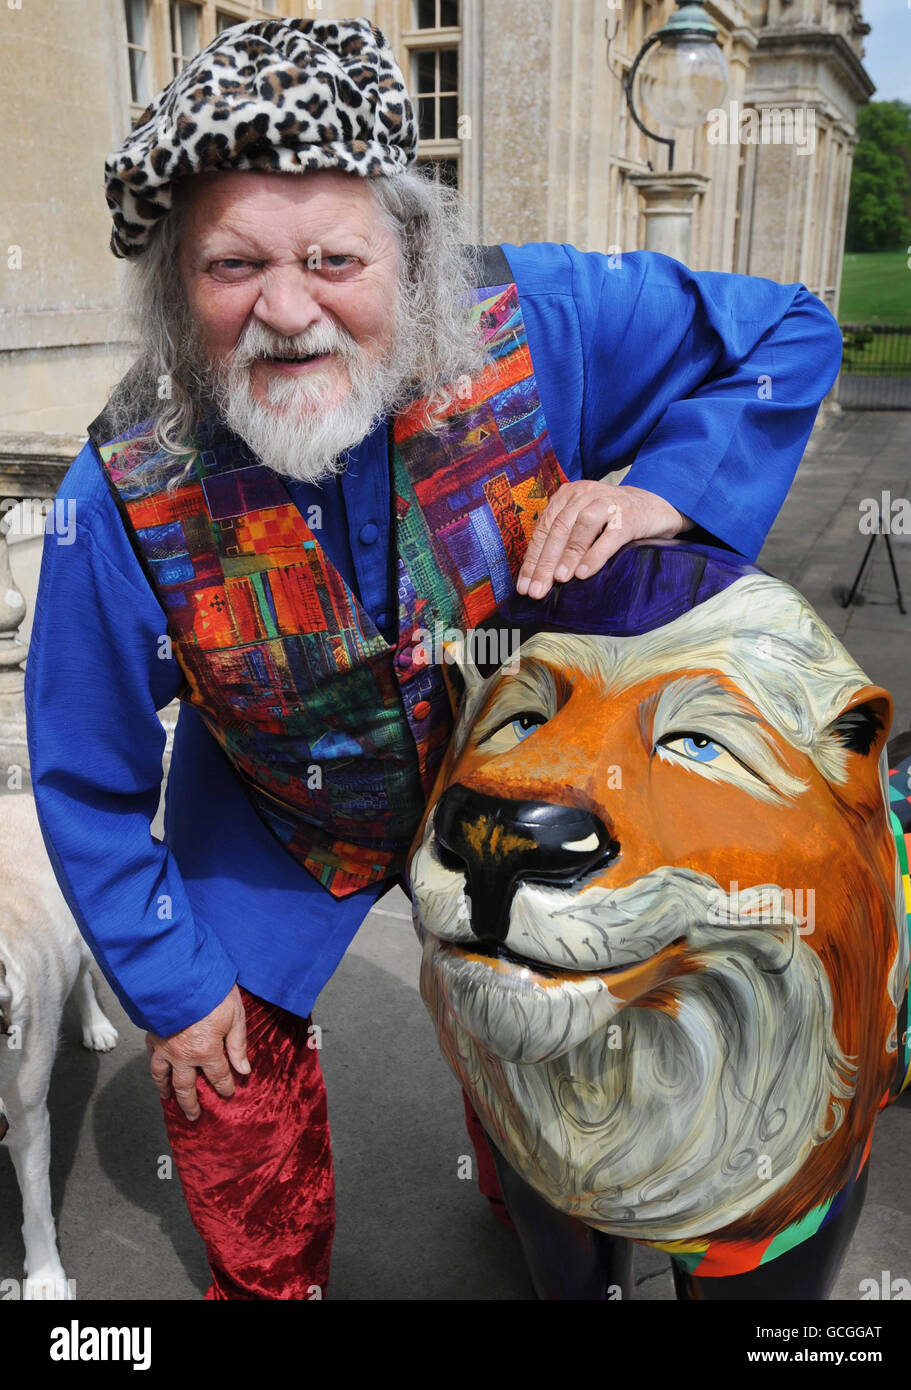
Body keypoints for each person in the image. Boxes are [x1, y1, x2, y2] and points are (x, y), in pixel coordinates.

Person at [24, 15, 843, 1300]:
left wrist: (663, 493)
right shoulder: (119, 483)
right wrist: (169, 983)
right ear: (177, 284)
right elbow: (82, 767)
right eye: (232, 263)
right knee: (229, 1109)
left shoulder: (540, 320)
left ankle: (550, 1236)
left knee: (540, 1041)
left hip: (498, 785)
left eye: (333, 257)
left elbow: (787, 329)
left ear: (410, 250)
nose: (285, 311)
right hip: (275, 816)